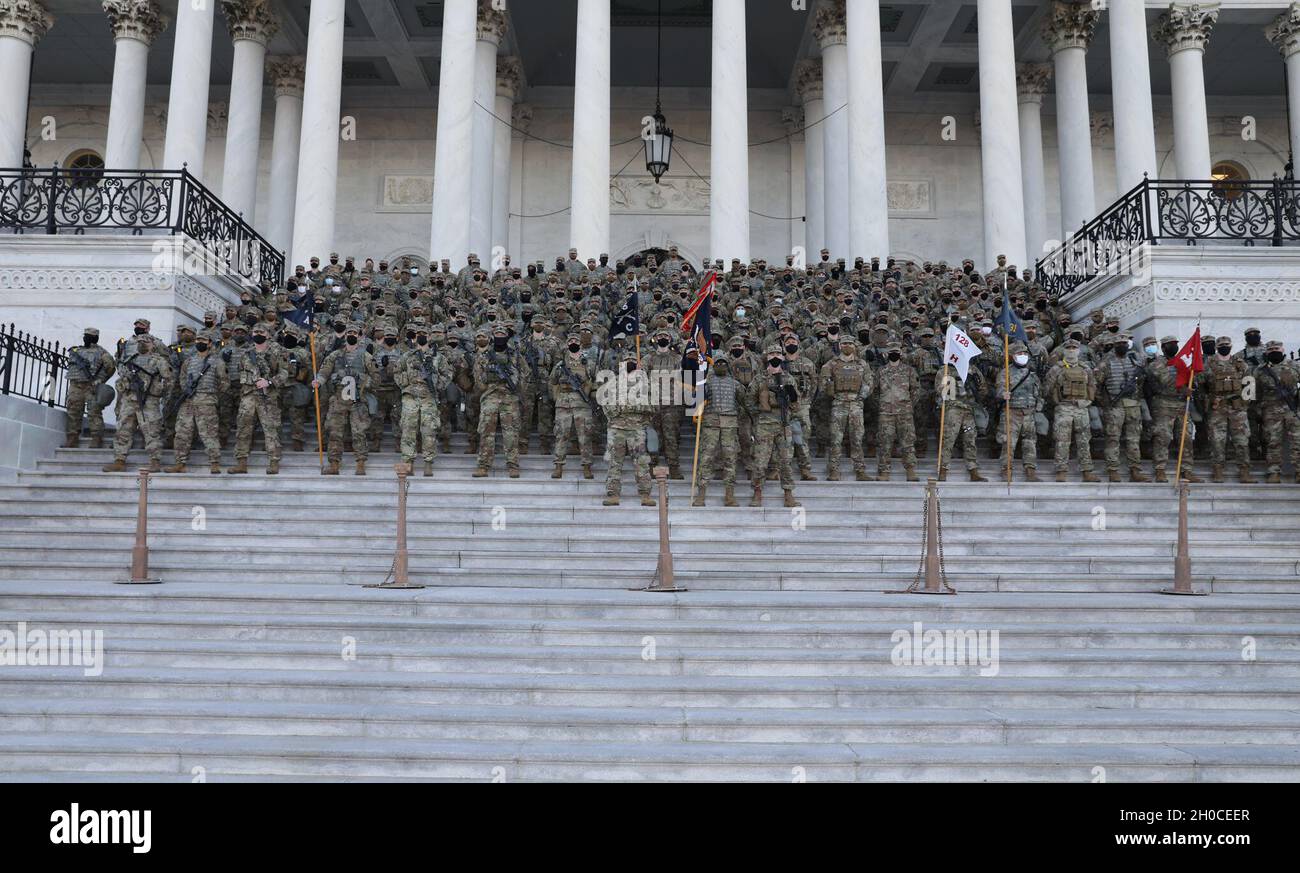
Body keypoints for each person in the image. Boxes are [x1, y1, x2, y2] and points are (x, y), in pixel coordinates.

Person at [312, 324, 378, 475]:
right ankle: (334, 463)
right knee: (334, 432)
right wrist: (319, 381)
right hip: (339, 399)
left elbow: (376, 377)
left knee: (359, 432)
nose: (352, 335)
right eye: (349, 333)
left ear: (359, 336)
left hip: (358, 400)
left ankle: (360, 462)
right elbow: (324, 371)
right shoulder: (335, 355)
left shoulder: (365, 356)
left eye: (354, 333)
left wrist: (362, 381)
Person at [101, 333, 172, 473]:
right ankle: (119, 461)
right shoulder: (130, 360)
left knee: (151, 431)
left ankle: (155, 461)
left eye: (145, 341)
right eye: (139, 341)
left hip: (149, 401)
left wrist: (161, 393)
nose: (142, 343)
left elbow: (169, 380)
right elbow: (122, 376)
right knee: (123, 430)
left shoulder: (159, 361)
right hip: (129, 400)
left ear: (152, 344)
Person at [743, 345, 800, 507]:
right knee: (760, 461)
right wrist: (759, 415)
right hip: (765, 424)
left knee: (786, 461)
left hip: (783, 424)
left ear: (782, 357)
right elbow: (749, 400)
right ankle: (757, 493)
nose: (775, 356)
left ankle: (788, 494)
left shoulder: (789, 379)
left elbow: (796, 406)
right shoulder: (759, 379)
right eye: (771, 354)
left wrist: (792, 399)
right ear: (767, 357)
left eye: (777, 354)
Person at [165, 334, 228, 474]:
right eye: (198, 340)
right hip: (188, 401)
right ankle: (180, 463)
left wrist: (212, 395)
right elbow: (182, 378)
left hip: (206, 401)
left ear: (210, 343)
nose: (200, 342)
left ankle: (214, 462)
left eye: (204, 340)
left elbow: (224, 382)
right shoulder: (188, 361)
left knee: (209, 433)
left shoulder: (216, 361)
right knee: (182, 433)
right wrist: (187, 390)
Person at [229, 326, 288, 475]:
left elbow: (285, 372)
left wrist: (269, 382)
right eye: (256, 332)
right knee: (243, 429)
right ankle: (241, 462)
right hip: (248, 395)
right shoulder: (246, 354)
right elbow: (240, 371)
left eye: (261, 332)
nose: (258, 334)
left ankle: (274, 461)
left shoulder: (276, 353)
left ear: (267, 334)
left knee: (271, 430)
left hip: (267, 396)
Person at [600, 353, 656, 506]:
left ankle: (645, 494)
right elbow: (605, 402)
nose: (629, 363)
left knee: (641, 462)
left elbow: (654, 405)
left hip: (637, 428)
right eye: (627, 361)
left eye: (632, 361)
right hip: (617, 427)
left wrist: (640, 410)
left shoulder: (644, 383)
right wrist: (616, 413)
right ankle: (613, 494)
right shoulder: (613, 382)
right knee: (614, 462)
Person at [395, 321, 450, 476]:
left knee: (429, 430)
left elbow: (447, 374)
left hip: (429, 397)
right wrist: (406, 381)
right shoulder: (407, 356)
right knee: (408, 429)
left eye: (424, 335)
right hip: (410, 397)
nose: (421, 337)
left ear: (429, 337)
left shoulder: (438, 358)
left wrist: (437, 382)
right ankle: (408, 461)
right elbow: (397, 372)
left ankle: (428, 461)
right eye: (419, 334)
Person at [1094, 331, 1149, 482]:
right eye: (1118, 344)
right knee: (1113, 438)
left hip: (1132, 405)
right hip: (1114, 406)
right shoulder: (1106, 363)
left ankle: (1135, 470)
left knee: (1133, 439)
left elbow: (1142, 381)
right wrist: (1104, 402)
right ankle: (1113, 469)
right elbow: (1095, 385)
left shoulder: (1135, 361)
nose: (1122, 346)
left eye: (1124, 343)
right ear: (1113, 346)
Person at [819, 335, 874, 481]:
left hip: (856, 405)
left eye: (850, 343)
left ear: (855, 346)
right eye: (844, 344)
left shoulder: (862, 364)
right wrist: (832, 389)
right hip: (838, 404)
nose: (847, 346)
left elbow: (869, 384)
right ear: (840, 346)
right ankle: (834, 470)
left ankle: (860, 470)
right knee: (836, 439)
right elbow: (823, 385)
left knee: (857, 438)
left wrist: (859, 397)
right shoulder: (830, 364)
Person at [1044, 339, 1098, 482]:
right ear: (1064, 350)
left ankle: (1087, 471)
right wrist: (1056, 402)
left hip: (1081, 407)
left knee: (1084, 440)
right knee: (1062, 440)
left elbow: (1092, 385)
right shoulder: (1057, 368)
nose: (1072, 350)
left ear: (1079, 350)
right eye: (1068, 347)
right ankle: (1061, 470)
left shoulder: (1086, 368)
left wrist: (1088, 401)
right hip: (1064, 407)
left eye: (1074, 347)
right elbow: (1047, 388)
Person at [1203, 335, 1255, 483]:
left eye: (1227, 344)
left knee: (1242, 441)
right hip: (1217, 408)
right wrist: (1208, 401)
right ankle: (1218, 470)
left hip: (1237, 409)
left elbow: (1249, 385)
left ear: (1231, 346)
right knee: (1217, 441)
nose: (1224, 347)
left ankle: (1244, 471)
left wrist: (1244, 405)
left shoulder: (1240, 364)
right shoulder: (1209, 364)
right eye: (1221, 345)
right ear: (1217, 347)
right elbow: (1201, 385)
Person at [473, 324, 522, 478]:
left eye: (503, 334)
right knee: (486, 431)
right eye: (497, 334)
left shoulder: (514, 355)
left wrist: (516, 389)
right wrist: (488, 385)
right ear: (493, 337)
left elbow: (525, 374)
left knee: (511, 432)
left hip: (509, 397)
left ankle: (513, 465)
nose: (500, 337)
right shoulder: (485, 355)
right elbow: (478, 376)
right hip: (490, 396)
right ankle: (483, 465)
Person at [692, 356, 742, 507]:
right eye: (718, 363)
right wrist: (699, 390)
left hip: (730, 423)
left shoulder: (735, 384)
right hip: (710, 423)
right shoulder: (706, 383)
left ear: (728, 366)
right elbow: (695, 401)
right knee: (706, 457)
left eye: (723, 363)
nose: (720, 365)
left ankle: (729, 494)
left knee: (730, 458)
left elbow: (744, 401)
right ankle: (701, 494)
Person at [549, 333, 595, 479]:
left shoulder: (589, 363)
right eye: (571, 341)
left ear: (580, 344)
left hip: (582, 403)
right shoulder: (560, 365)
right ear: (567, 344)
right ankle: (558, 465)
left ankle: (587, 466)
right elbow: (552, 382)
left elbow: (597, 381)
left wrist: (588, 391)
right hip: (563, 404)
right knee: (561, 435)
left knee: (585, 436)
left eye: (576, 340)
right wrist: (557, 397)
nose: (573, 342)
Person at [874, 341, 920, 481]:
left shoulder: (909, 370)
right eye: (891, 352)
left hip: (904, 413)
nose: (894, 354)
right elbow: (875, 391)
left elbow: (916, 390)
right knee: (885, 442)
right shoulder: (881, 371)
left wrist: (908, 404)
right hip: (886, 413)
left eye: (896, 351)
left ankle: (910, 470)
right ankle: (884, 472)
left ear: (900, 353)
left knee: (908, 442)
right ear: (887, 354)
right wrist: (881, 404)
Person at [996, 341, 1042, 481]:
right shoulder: (1006, 372)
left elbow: (1039, 393)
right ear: (1012, 356)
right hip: (1012, 412)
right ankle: (1006, 469)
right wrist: (1003, 394)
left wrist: (1038, 406)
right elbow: (999, 390)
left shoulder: (1032, 374)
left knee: (1030, 443)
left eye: (1024, 353)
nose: (1022, 355)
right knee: (1009, 442)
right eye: (1019, 353)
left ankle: (1030, 469)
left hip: (1029, 413)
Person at [64, 327, 116, 449]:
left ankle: (96, 437)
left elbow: (111, 368)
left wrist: (100, 381)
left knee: (94, 412)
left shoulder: (102, 353)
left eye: (88, 336)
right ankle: (72, 437)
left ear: (94, 338)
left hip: (91, 387)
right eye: (85, 335)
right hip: (76, 385)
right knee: (73, 411)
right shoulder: (76, 351)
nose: (85, 338)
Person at [1256, 340, 1300, 484]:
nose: (1274, 351)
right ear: (1266, 352)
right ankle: (1274, 472)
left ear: (1282, 349)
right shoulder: (1260, 370)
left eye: (1277, 348)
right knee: (1273, 442)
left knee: (1297, 442)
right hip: (1271, 410)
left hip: (1292, 409)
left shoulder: (1295, 366)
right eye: (1271, 349)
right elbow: (1255, 392)